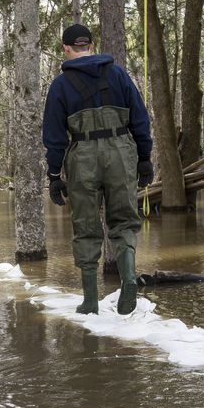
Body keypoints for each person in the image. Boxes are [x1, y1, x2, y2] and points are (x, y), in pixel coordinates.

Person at [42, 23, 153, 316]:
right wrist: (144, 158)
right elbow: (140, 119)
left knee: (87, 226)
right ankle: (128, 278)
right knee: (124, 220)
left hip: (84, 158)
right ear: (91, 44)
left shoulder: (60, 85)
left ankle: (90, 300)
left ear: (66, 48)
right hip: (121, 153)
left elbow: (54, 136)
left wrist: (54, 175)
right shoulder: (118, 74)